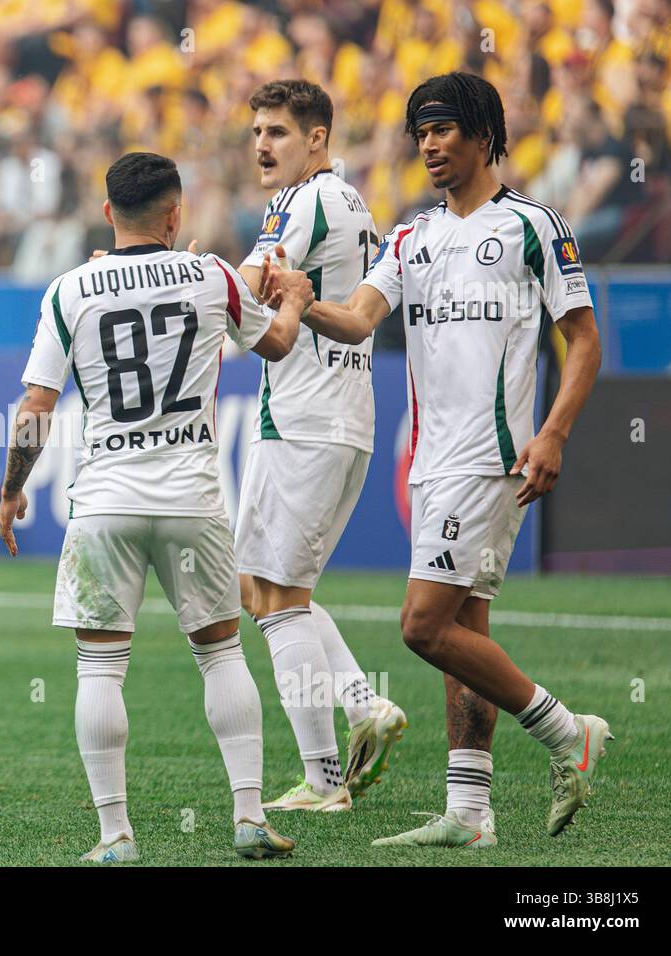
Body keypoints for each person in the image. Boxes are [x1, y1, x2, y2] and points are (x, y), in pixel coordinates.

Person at [261, 72, 610, 849]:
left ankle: (565, 732)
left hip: (490, 458)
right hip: (430, 461)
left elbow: (583, 339)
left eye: (444, 129)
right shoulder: (412, 237)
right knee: (464, 632)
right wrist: (298, 295)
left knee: (421, 627)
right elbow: (355, 320)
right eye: (420, 132)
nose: (429, 144)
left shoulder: (532, 226)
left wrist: (552, 433)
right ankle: (469, 813)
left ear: (485, 134)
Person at [0, 151, 313, 862]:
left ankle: (115, 836)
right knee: (221, 652)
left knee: (100, 671)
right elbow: (281, 342)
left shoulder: (69, 289)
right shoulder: (212, 277)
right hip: (192, 500)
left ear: (107, 214)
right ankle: (248, 817)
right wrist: (292, 294)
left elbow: (36, 407)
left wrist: (14, 488)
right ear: (177, 214)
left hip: (106, 498)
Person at [235, 79, 406, 813]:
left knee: (271, 601)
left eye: (277, 131)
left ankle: (326, 777)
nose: (263, 146)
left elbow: (251, 284)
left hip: (303, 418)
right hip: (342, 419)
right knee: (274, 593)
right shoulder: (349, 201)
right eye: (257, 133)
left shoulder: (302, 201)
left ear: (316, 138)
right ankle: (362, 707)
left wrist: (179, 287)